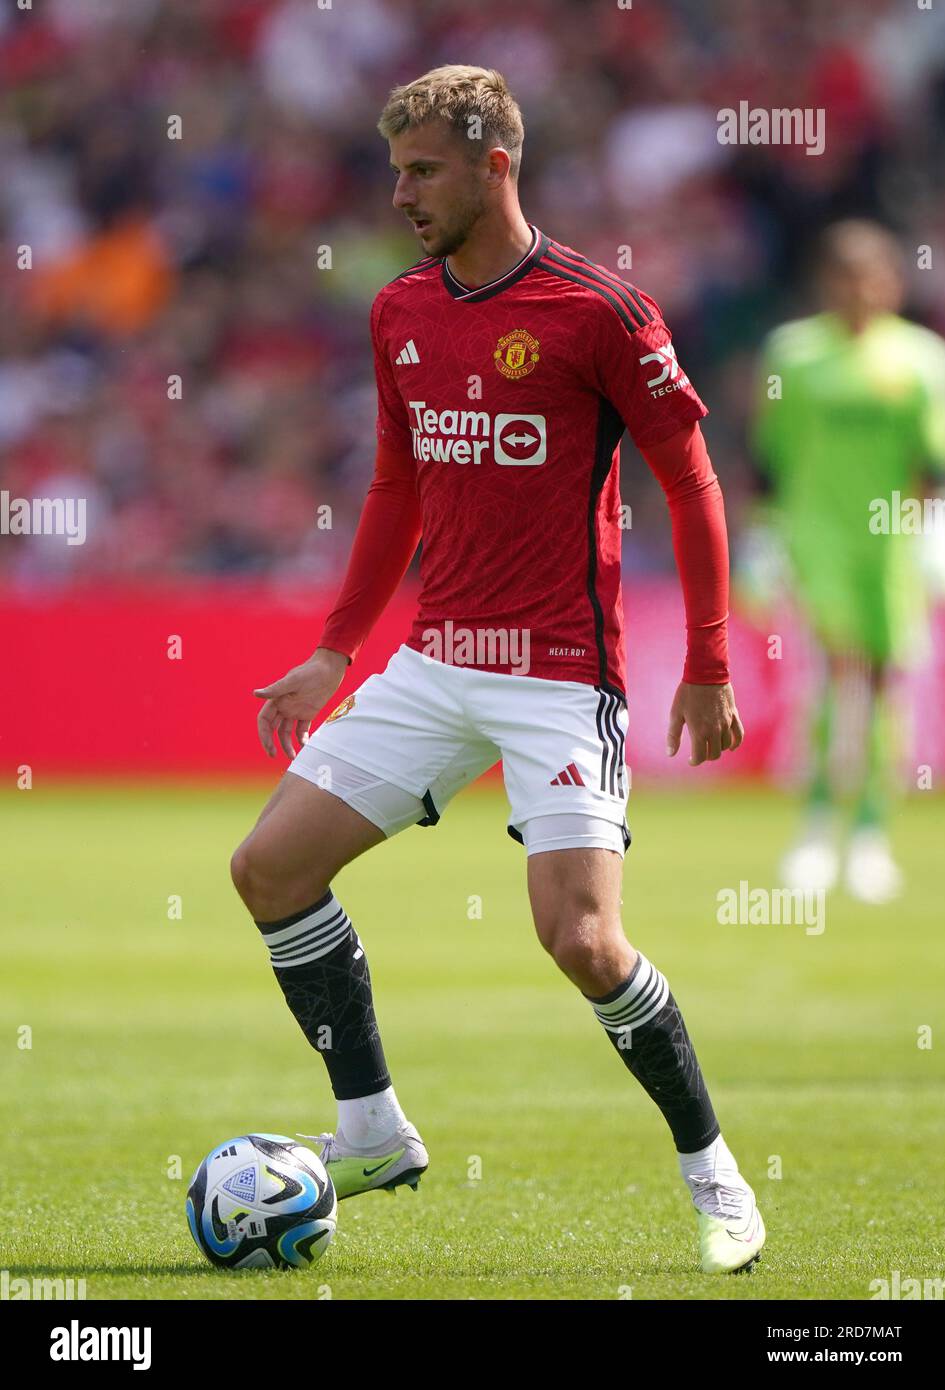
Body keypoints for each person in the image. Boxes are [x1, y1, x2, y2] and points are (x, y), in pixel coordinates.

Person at [231, 65, 763, 1274]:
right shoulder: (399, 309)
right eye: (395, 171)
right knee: (266, 869)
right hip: (433, 661)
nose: (402, 194)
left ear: (494, 164)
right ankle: (372, 1131)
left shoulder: (601, 310)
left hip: (559, 674)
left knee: (580, 942)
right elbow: (394, 484)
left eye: (422, 170)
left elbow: (691, 479)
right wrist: (332, 651)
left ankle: (712, 1171)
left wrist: (713, 659)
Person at [752, 221, 945, 903]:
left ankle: (870, 834)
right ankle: (815, 829)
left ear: (893, 282)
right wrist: (764, 540)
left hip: (891, 547)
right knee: (839, 677)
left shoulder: (923, 360)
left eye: (874, 276)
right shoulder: (794, 355)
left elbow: (934, 463)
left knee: (886, 686)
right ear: (826, 283)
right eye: (846, 276)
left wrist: (934, 539)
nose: (861, 290)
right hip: (819, 541)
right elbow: (769, 459)